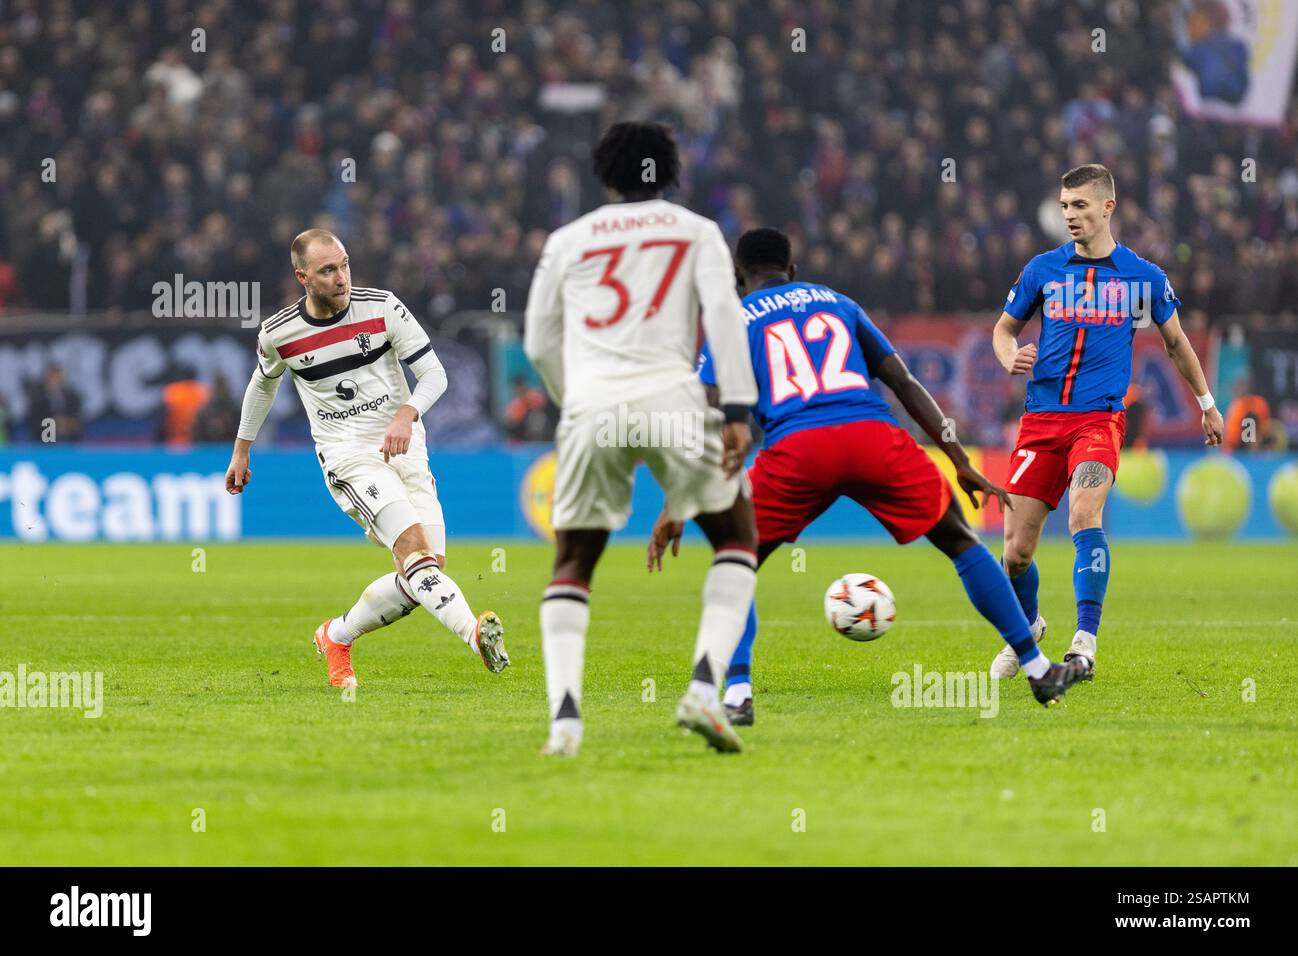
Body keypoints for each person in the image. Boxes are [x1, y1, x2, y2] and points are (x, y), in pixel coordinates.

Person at [648, 227, 1092, 723]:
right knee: (961, 542)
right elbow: (902, 381)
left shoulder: (731, 319)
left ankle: (736, 696)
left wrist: (676, 502)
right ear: (793, 271)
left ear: (737, 277)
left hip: (798, 447)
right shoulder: (837, 301)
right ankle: (1037, 669)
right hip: (872, 435)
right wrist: (958, 458)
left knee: (736, 560)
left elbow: (705, 414)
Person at [524, 121, 760, 757]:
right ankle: (706, 691)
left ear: (604, 175)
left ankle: (565, 724)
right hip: (671, 397)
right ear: (671, 170)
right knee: (736, 539)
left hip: (591, 405)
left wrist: (574, 395)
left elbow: (538, 342)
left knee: (574, 562)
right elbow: (723, 317)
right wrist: (738, 407)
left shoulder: (568, 239)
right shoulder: (695, 231)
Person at [225, 228, 509, 688]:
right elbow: (263, 385)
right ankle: (476, 634)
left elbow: (435, 373)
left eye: (344, 264)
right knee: (415, 552)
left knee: (425, 573)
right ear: (303, 277)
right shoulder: (280, 334)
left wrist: (408, 412)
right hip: (349, 455)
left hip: (406, 446)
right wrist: (242, 449)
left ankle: (336, 635)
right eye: (328, 270)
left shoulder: (383, 307)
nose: (342, 278)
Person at [991, 164, 1224, 680]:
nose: (1070, 215)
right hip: (1040, 421)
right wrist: (1008, 356)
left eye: (1080, 206)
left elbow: (1177, 343)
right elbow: (1003, 331)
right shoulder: (1042, 271)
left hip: (1098, 420)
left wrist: (1207, 403)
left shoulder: (1142, 277)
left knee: (1083, 515)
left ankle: (1084, 642)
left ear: (1107, 207)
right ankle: (1029, 627)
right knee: (1015, 553)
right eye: (1065, 206)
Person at [26, 364, 83, 443]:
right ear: (46, 379)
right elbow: (33, 424)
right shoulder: (38, 400)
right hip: (44, 446)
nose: (55, 381)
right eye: (53, 378)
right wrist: (52, 424)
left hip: (70, 445)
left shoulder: (73, 399)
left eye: (58, 378)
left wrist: (67, 423)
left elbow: (80, 422)